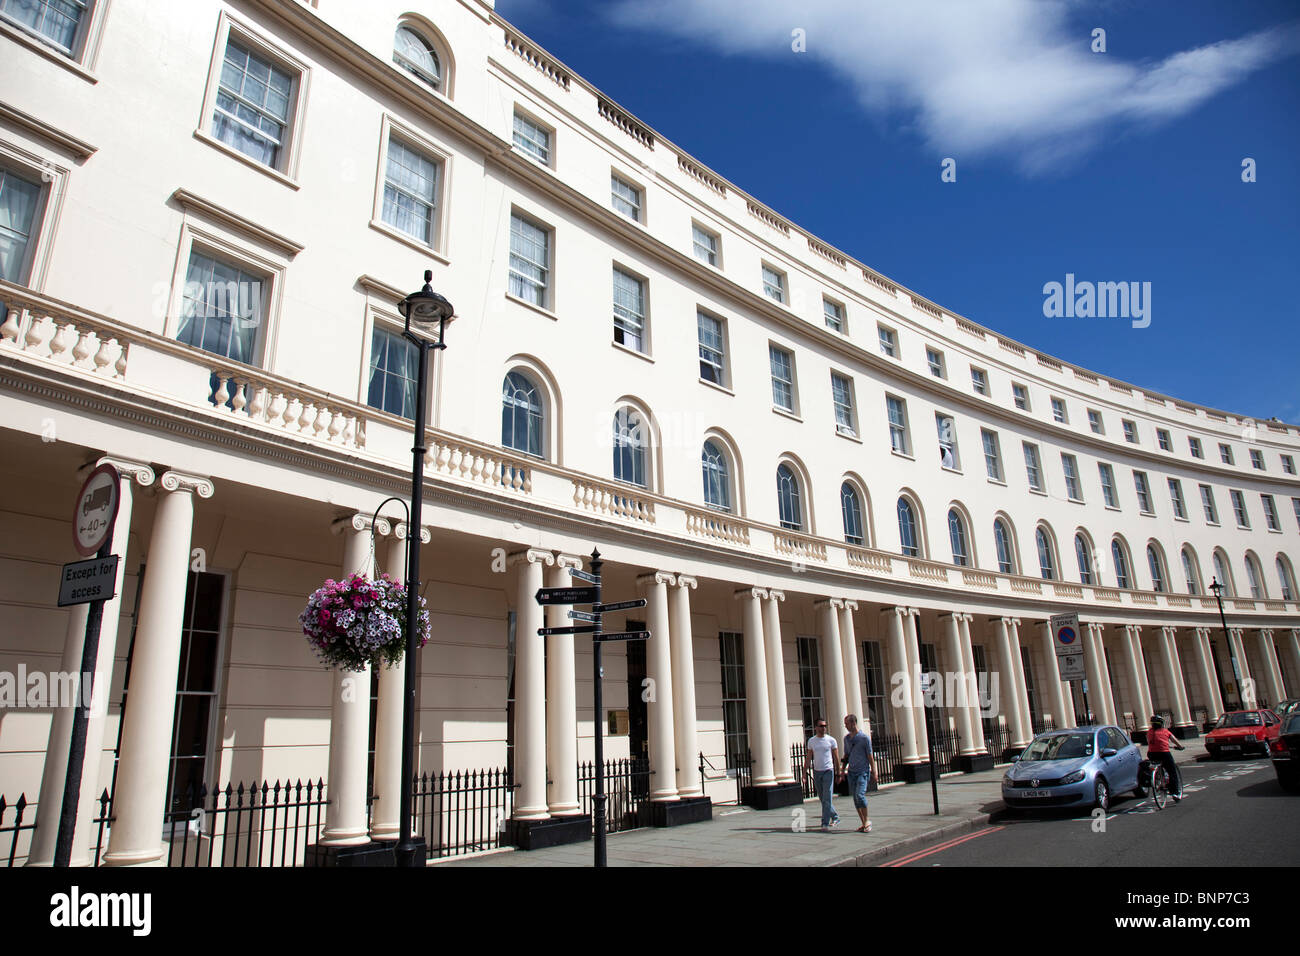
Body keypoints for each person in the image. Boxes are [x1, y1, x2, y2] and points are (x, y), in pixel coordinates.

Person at [805, 718, 840, 831]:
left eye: (824, 725)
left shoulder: (831, 740)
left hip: (828, 771)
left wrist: (838, 772)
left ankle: (824, 823)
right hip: (817, 771)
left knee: (827, 797)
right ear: (816, 727)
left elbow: (836, 757)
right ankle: (835, 816)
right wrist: (804, 773)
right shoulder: (811, 741)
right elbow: (809, 757)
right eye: (821, 726)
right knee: (822, 798)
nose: (823, 728)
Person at [842, 714, 876, 832]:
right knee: (855, 798)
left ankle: (867, 820)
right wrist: (842, 771)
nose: (845, 726)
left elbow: (870, 756)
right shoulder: (846, 739)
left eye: (846, 723)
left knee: (860, 795)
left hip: (863, 772)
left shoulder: (864, 738)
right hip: (851, 772)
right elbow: (846, 756)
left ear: (853, 723)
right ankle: (863, 823)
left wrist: (874, 771)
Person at [1146, 714, 1185, 802]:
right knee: (1172, 771)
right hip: (1164, 753)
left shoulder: (1149, 732)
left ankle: (1158, 779)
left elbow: (1149, 742)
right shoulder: (1165, 731)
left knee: (1156, 765)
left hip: (1152, 754)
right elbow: (1174, 740)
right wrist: (1180, 746)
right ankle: (1175, 792)